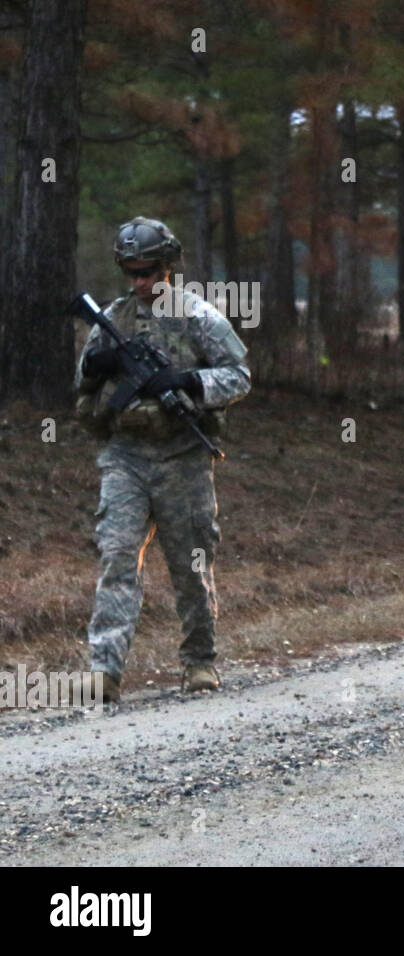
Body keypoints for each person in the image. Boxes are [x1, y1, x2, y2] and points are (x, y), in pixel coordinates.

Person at [74, 217, 252, 702]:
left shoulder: (198, 317)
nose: (138, 282)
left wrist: (189, 383)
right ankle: (104, 671)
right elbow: (82, 385)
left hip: (182, 457)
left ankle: (199, 661)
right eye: (130, 272)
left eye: (147, 272)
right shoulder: (113, 317)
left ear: (168, 267)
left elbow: (239, 375)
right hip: (125, 456)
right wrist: (97, 365)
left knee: (191, 564)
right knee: (117, 558)